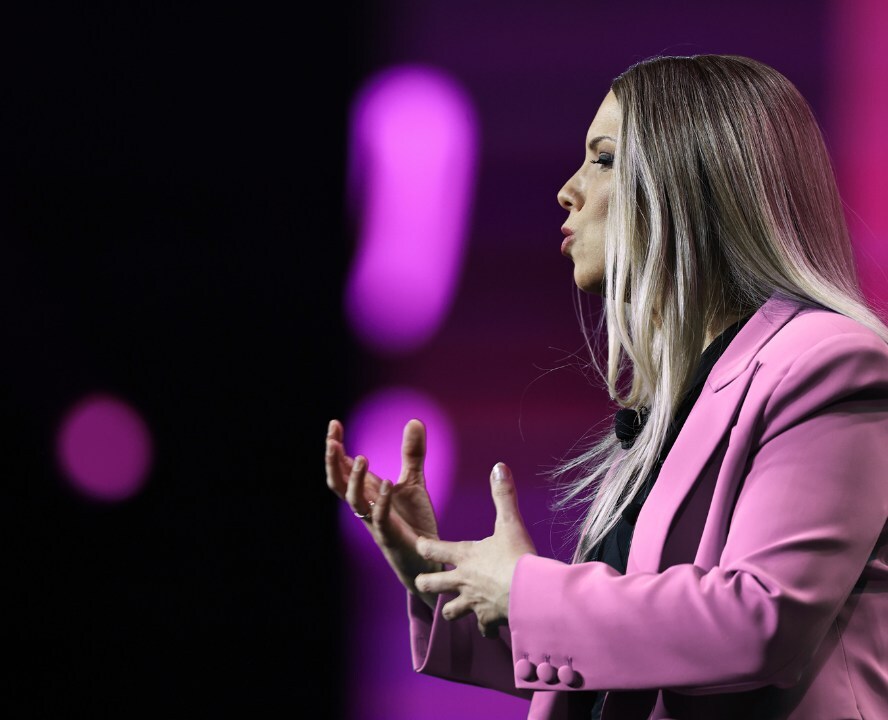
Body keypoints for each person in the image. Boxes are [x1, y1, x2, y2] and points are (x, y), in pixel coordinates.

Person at [324, 54, 888, 719]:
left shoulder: (829, 362)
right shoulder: (669, 402)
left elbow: (759, 621)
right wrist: (434, 567)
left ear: (692, 181)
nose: (568, 191)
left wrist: (530, 592)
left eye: (602, 159)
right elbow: (625, 656)